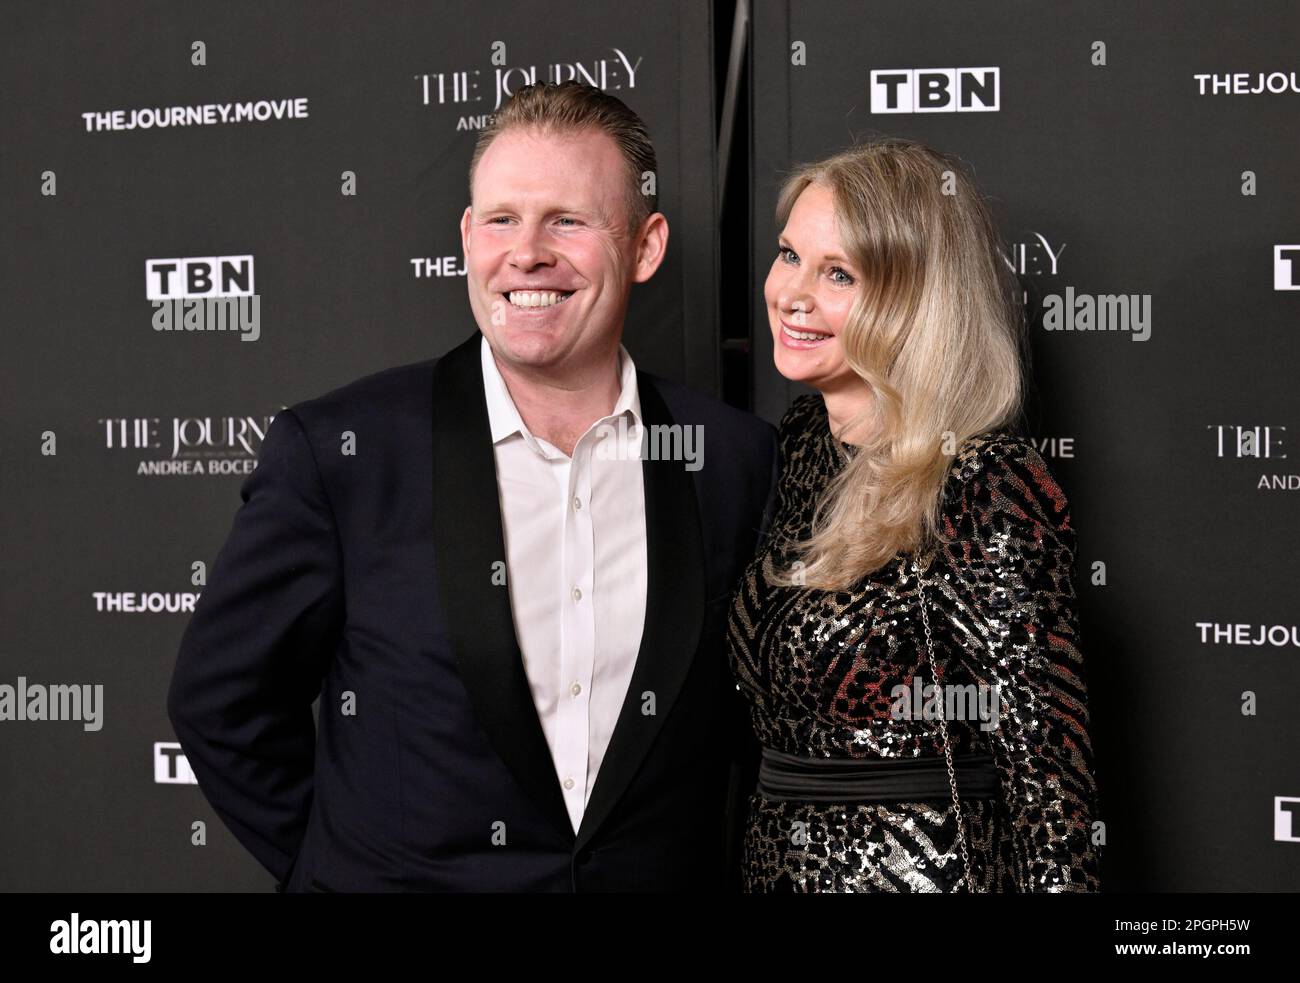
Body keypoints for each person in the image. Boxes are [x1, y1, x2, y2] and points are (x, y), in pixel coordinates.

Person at [167, 81, 777, 892]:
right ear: (466, 238)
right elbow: (220, 704)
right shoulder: (344, 452)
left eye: (568, 219)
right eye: (501, 219)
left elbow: (757, 739)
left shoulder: (734, 461)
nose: (527, 253)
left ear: (645, 245)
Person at [728, 137, 1102, 892]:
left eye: (839, 274)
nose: (791, 293)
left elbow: (1048, 782)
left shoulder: (982, 481)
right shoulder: (805, 444)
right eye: (789, 255)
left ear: (917, 300)